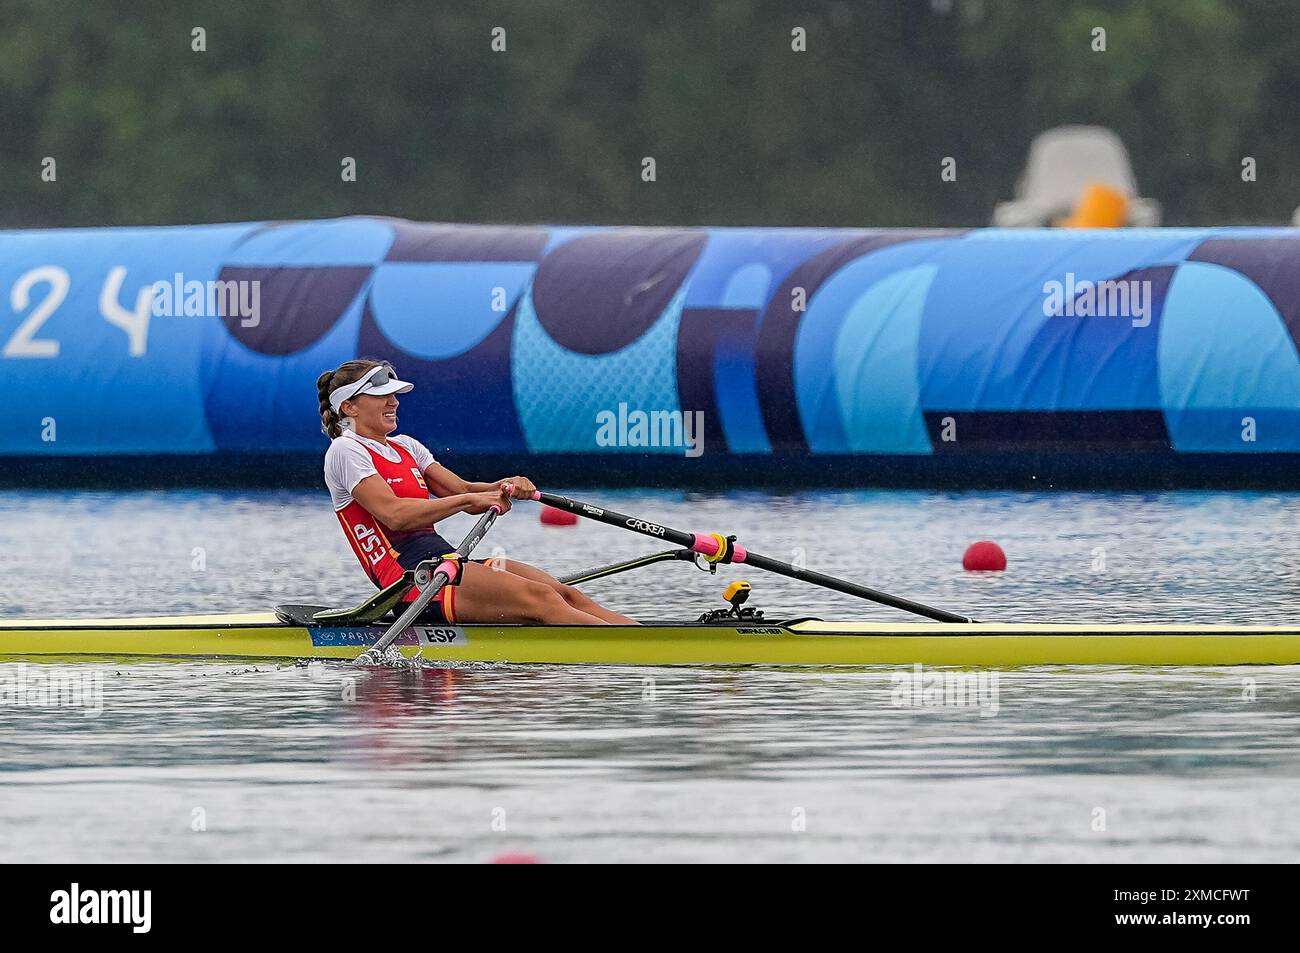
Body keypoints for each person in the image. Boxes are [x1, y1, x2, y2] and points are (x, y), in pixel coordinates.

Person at [317, 359, 636, 625]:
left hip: (445, 563)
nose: (394, 402)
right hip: (412, 582)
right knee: (541, 598)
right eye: (381, 395)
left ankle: (644, 638)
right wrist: (470, 499)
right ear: (349, 406)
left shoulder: (406, 446)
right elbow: (396, 515)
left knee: (562, 592)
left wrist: (505, 485)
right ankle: (629, 651)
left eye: (394, 395)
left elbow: (463, 490)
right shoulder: (346, 450)